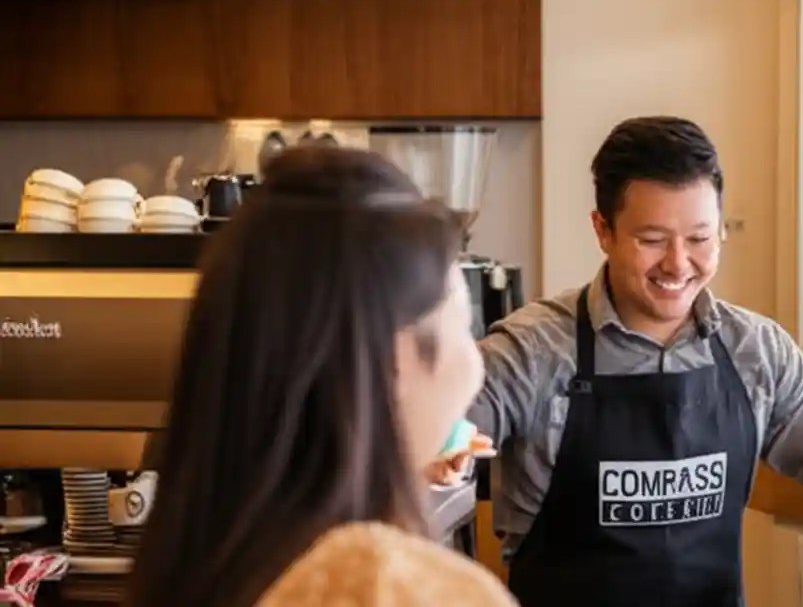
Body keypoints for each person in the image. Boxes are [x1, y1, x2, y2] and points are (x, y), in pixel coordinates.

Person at [464, 116, 803, 606]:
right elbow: (435, 431)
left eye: (699, 238)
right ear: (603, 230)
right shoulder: (532, 351)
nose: (678, 263)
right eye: (652, 240)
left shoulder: (756, 350)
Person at [128, 147, 515, 607]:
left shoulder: (192, 564)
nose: (474, 360)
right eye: (465, 327)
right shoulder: (393, 588)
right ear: (396, 362)